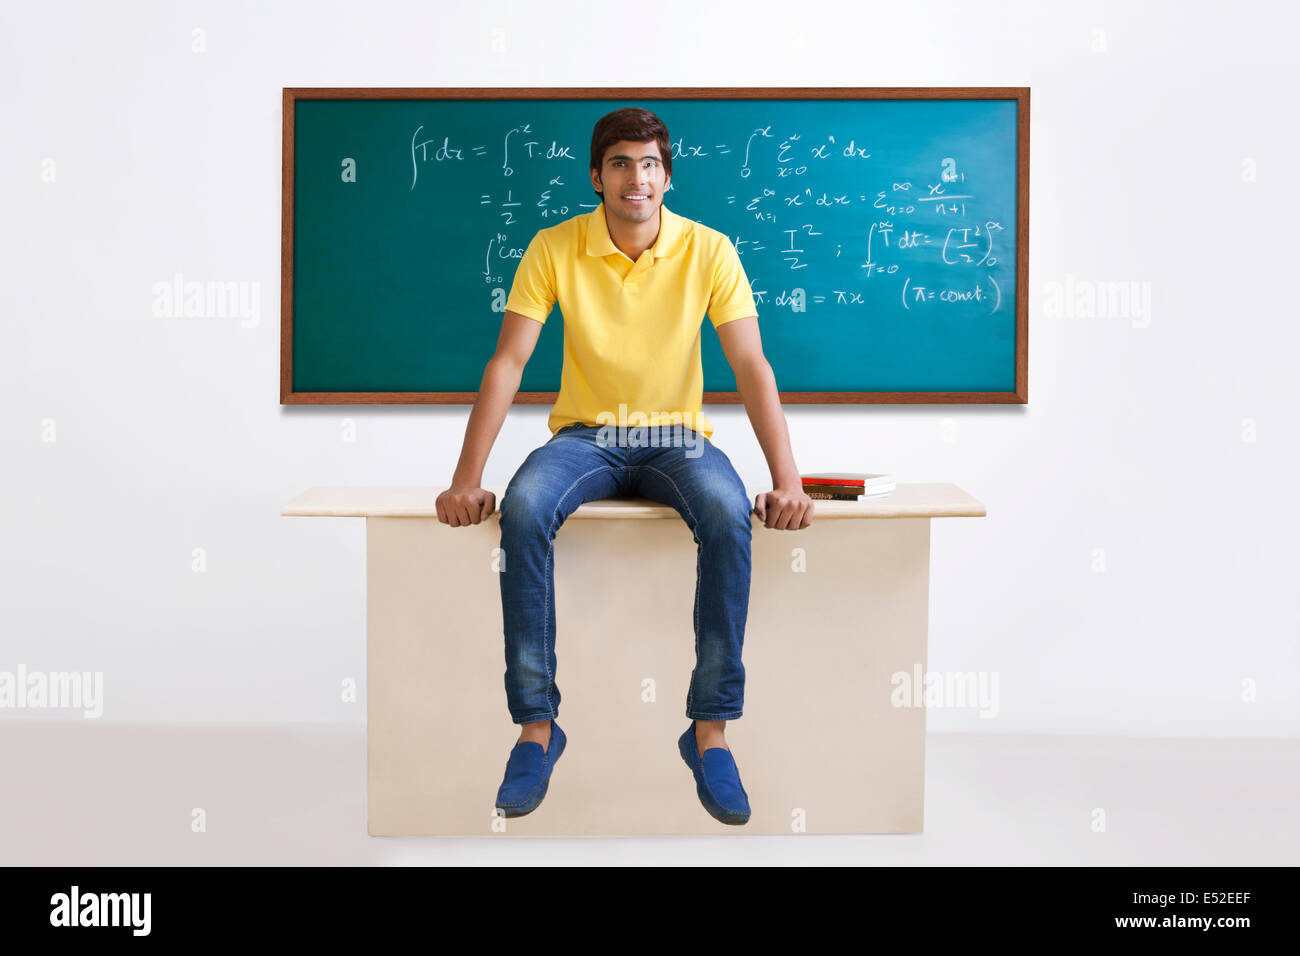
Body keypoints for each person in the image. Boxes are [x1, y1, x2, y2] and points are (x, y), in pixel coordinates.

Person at [435, 107, 813, 825]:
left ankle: (709, 733)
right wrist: (465, 478)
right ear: (596, 175)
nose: (634, 178)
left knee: (731, 515)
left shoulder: (710, 250)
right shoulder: (554, 246)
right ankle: (537, 728)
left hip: (677, 435)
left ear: (667, 177)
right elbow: (508, 361)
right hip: (586, 436)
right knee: (522, 507)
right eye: (619, 164)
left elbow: (750, 364)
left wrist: (788, 480)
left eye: (647, 165)